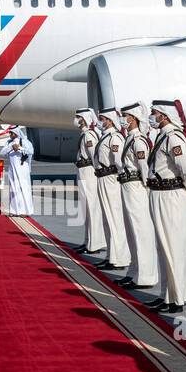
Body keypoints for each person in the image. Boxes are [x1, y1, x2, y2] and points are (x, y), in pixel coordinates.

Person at [145, 100, 186, 313]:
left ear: (165, 115)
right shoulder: (163, 135)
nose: (152, 116)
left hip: (172, 196)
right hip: (160, 194)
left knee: (174, 246)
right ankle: (167, 295)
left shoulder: (174, 137)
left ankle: (177, 298)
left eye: (154, 113)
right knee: (164, 247)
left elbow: (185, 169)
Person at [116, 102, 159, 290]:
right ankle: (134, 272)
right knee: (132, 232)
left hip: (137, 188)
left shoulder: (139, 141)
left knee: (141, 232)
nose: (122, 119)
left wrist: (146, 190)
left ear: (133, 118)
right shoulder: (130, 139)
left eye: (125, 115)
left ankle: (146, 276)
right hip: (128, 187)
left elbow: (144, 168)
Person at [91, 108, 131, 271]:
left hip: (111, 179)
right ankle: (111, 256)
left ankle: (119, 258)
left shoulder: (115, 138)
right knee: (108, 219)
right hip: (103, 178)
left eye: (102, 118)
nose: (99, 121)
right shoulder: (106, 136)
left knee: (115, 219)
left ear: (110, 120)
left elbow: (120, 162)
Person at [72, 108, 106, 255]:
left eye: (78, 117)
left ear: (84, 118)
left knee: (92, 208)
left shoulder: (90, 135)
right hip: (82, 171)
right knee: (86, 209)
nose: (76, 119)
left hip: (89, 172)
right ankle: (88, 241)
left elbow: (94, 157)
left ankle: (95, 244)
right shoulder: (84, 134)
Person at [3, 126, 34, 216]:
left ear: (16, 133)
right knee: (13, 189)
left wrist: (20, 148)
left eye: (11, 133)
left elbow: (31, 151)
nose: (10, 135)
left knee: (24, 188)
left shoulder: (24, 141)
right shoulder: (9, 142)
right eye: (9, 133)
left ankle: (25, 211)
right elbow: (2, 152)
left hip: (22, 169)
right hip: (12, 169)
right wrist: (11, 148)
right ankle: (13, 211)